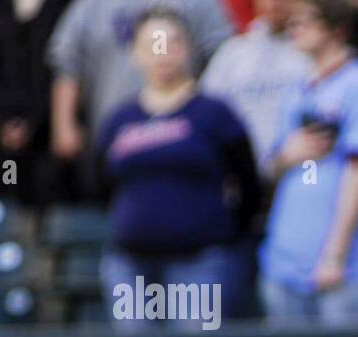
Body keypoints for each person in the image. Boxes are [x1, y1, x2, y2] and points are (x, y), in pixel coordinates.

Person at [97, 6, 261, 329]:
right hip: (130, 262)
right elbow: (99, 182)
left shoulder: (214, 114)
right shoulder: (120, 119)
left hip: (199, 259)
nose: (163, 53)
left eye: (172, 42)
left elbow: (247, 182)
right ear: (135, 54)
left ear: (188, 47)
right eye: (153, 44)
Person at [258, 0, 358, 325]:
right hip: (284, 262)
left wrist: (336, 255)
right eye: (293, 21)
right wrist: (285, 157)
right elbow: (275, 167)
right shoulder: (297, 89)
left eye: (306, 20)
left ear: (337, 27)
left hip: (345, 265)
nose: (296, 27)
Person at [47, 0, 231, 199]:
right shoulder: (92, 5)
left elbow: (224, 59)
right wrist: (64, 125)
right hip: (110, 135)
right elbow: (68, 63)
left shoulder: (198, 4)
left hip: (185, 140)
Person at [0, 0, 73, 206]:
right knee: (6, 193)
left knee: (50, 202)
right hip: (2, 134)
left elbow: (64, 70)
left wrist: (34, 122)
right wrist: (3, 121)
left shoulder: (64, 7)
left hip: (48, 131)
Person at [201, 0, 310, 176]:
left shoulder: (313, 53)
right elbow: (205, 113)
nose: (274, 4)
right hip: (244, 180)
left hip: (301, 174)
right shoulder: (232, 53)